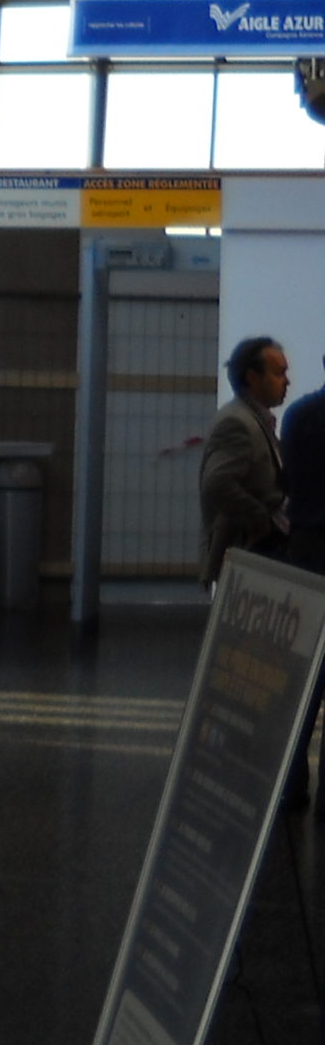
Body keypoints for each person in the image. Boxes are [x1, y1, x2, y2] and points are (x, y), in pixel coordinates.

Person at [200, 335, 291, 588]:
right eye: (279, 373)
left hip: (254, 553)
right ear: (252, 377)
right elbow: (217, 484)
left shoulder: (253, 419)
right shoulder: (238, 423)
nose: (287, 381)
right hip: (250, 552)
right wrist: (262, 519)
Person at [278, 356, 325, 810]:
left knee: (302, 675)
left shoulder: (297, 415)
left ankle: (291, 784)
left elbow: (288, 479)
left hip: (306, 549)